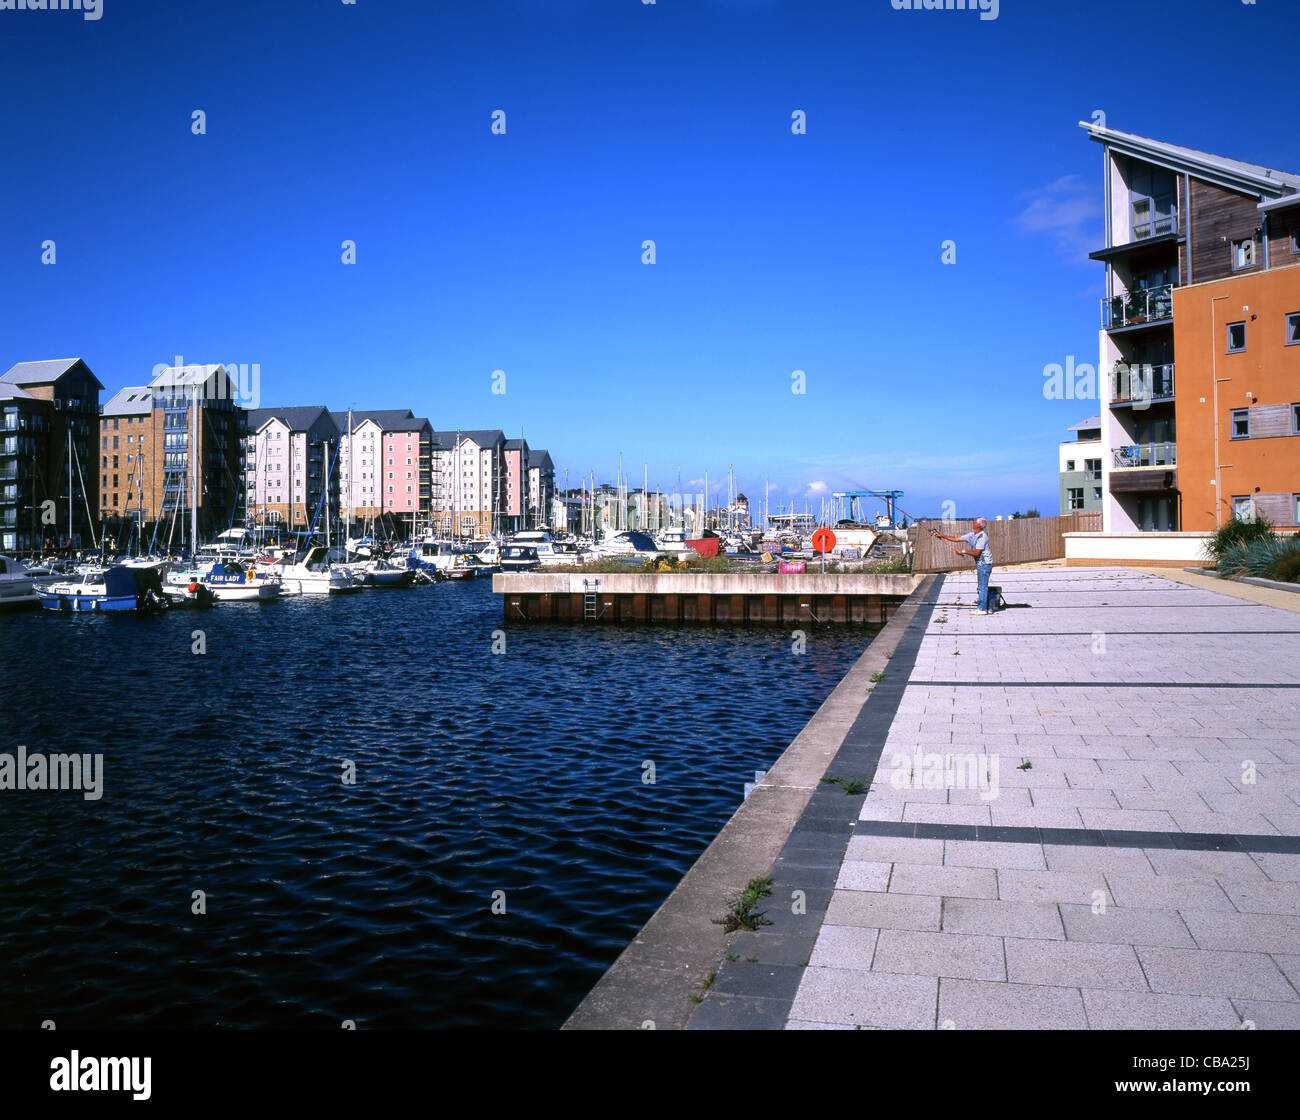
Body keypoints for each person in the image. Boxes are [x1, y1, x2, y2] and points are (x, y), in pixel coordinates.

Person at [932, 518, 994, 614]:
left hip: (985, 564)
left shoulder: (982, 537)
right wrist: (941, 536)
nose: (973, 523)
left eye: (975, 522)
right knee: (983, 586)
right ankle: (988, 608)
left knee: (982, 587)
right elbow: (956, 539)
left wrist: (963, 551)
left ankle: (982, 609)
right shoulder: (972, 535)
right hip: (981, 564)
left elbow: (977, 553)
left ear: (978, 525)